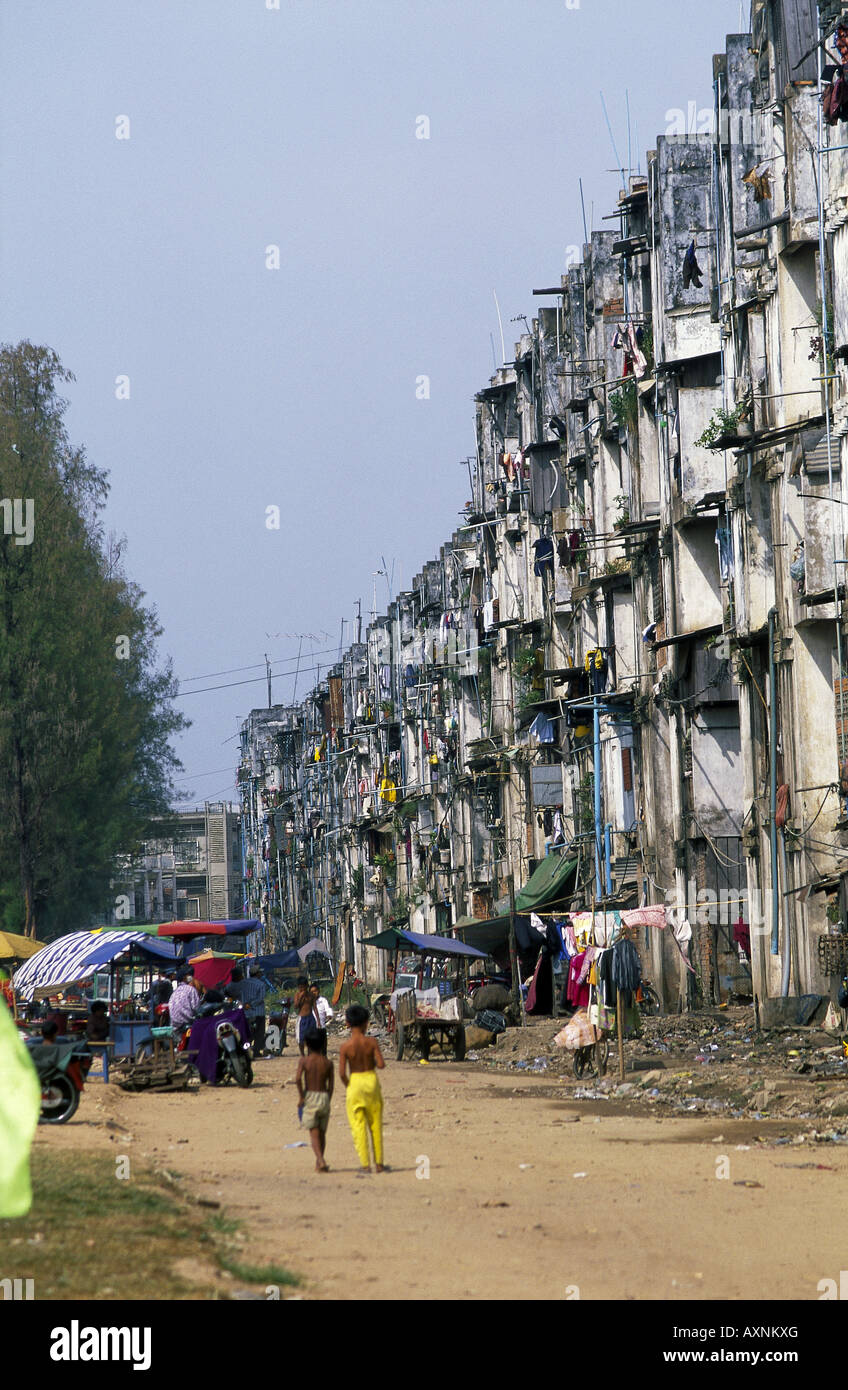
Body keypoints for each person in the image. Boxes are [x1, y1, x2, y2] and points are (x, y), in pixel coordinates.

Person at [339, 1004, 385, 1175]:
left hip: (355, 1082)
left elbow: (342, 1073)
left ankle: (365, 1164)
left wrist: (350, 1086)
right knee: (375, 1124)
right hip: (371, 1080)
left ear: (348, 1023)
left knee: (358, 1125)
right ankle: (379, 1163)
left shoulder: (345, 1047)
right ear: (366, 1023)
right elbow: (381, 1064)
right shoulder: (372, 1042)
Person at [295, 1029, 333, 1173]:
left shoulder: (305, 1061)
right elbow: (331, 1086)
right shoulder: (328, 1063)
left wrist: (301, 1096)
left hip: (310, 1096)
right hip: (324, 1097)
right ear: (323, 1043)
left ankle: (321, 1159)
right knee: (322, 1133)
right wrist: (328, 1099)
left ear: (306, 1044)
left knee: (313, 1132)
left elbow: (298, 1079)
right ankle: (319, 1161)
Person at [226, 966, 268, 1056]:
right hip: (258, 1012)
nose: (261, 974)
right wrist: (251, 1004)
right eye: (260, 972)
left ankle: (245, 1050)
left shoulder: (243, 983)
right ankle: (256, 1051)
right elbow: (261, 998)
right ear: (257, 974)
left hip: (245, 1013)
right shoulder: (261, 984)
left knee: (247, 1032)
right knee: (259, 1033)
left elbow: (233, 992)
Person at [168, 970, 201, 1039]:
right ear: (184, 978)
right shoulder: (191, 990)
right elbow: (196, 1008)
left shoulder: (175, 992)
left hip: (174, 1023)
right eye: (188, 975)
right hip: (186, 1022)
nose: (190, 977)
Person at [294, 976, 319, 1055]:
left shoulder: (311, 995)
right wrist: (301, 997)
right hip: (302, 1018)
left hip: (310, 1018)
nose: (302, 989)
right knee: (301, 1039)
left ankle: (309, 1054)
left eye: (303, 987)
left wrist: (318, 1020)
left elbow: (314, 1007)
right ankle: (302, 1054)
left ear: (307, 986)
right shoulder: (297, 995)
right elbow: (296, 1006)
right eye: (300, 987)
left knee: (311, 1039)